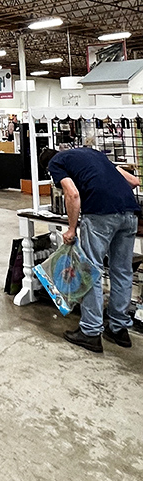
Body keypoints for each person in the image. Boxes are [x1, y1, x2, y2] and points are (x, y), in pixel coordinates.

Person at [39, 146, 140, 353]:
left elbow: (72, 194)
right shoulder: (92, 153)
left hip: (100, 215)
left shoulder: (56, 164)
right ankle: (118, 328)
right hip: (130, 213)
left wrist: (71, 228)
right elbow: (133, 182)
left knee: (90, 270)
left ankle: (91, 332)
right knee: (122, 271)